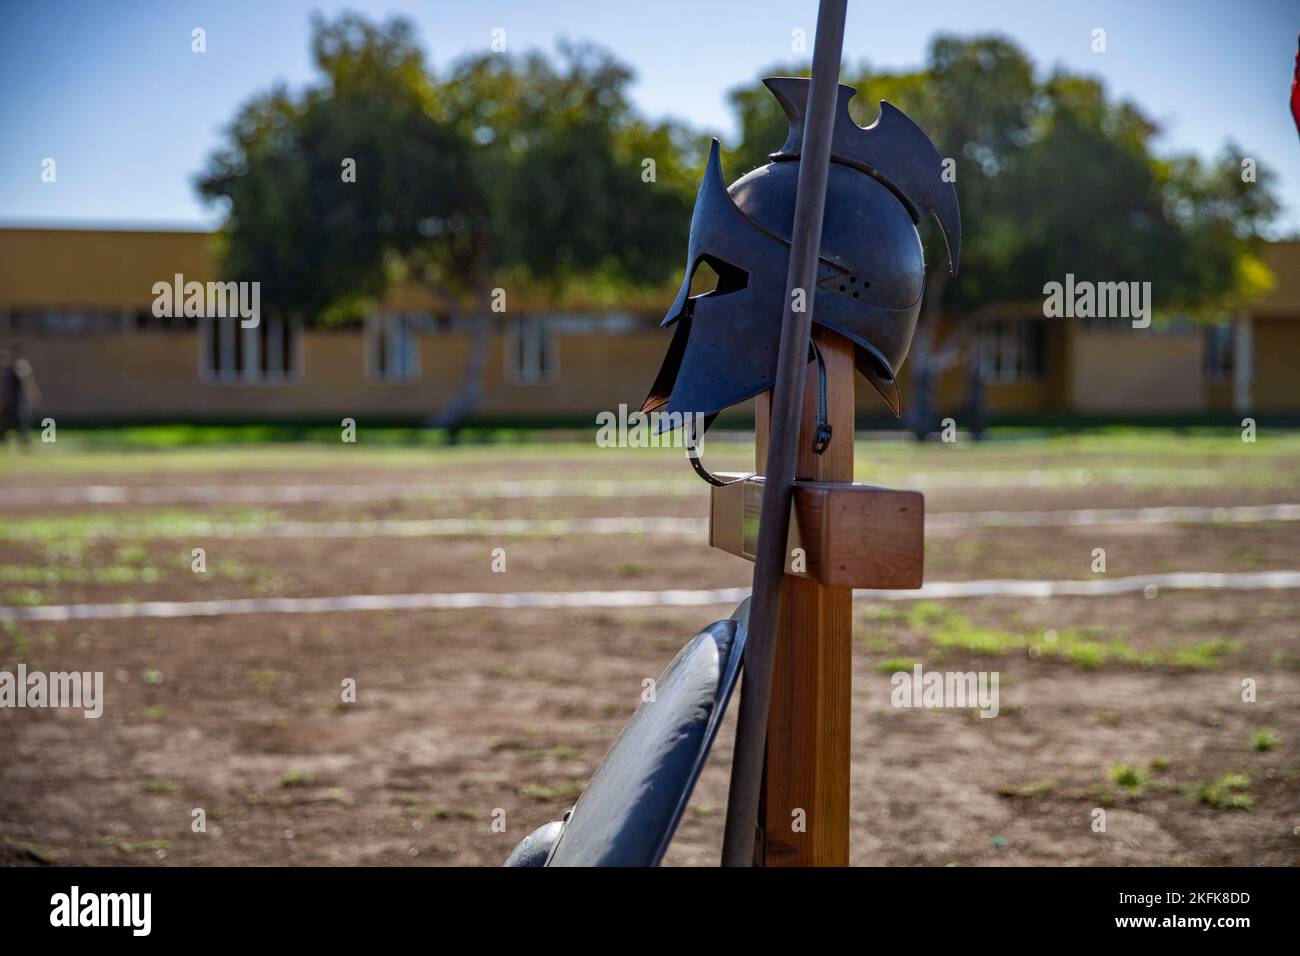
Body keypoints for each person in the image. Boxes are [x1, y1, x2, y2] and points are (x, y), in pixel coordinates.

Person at [0, 350, 42, 446]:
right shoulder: (6, 374)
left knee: (21, 427)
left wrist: (33, 396)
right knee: (3, 426)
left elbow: (28, 385)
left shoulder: (19, 372)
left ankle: (22, 443)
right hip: (8, 407)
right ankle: (4, 442)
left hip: (17, 405)